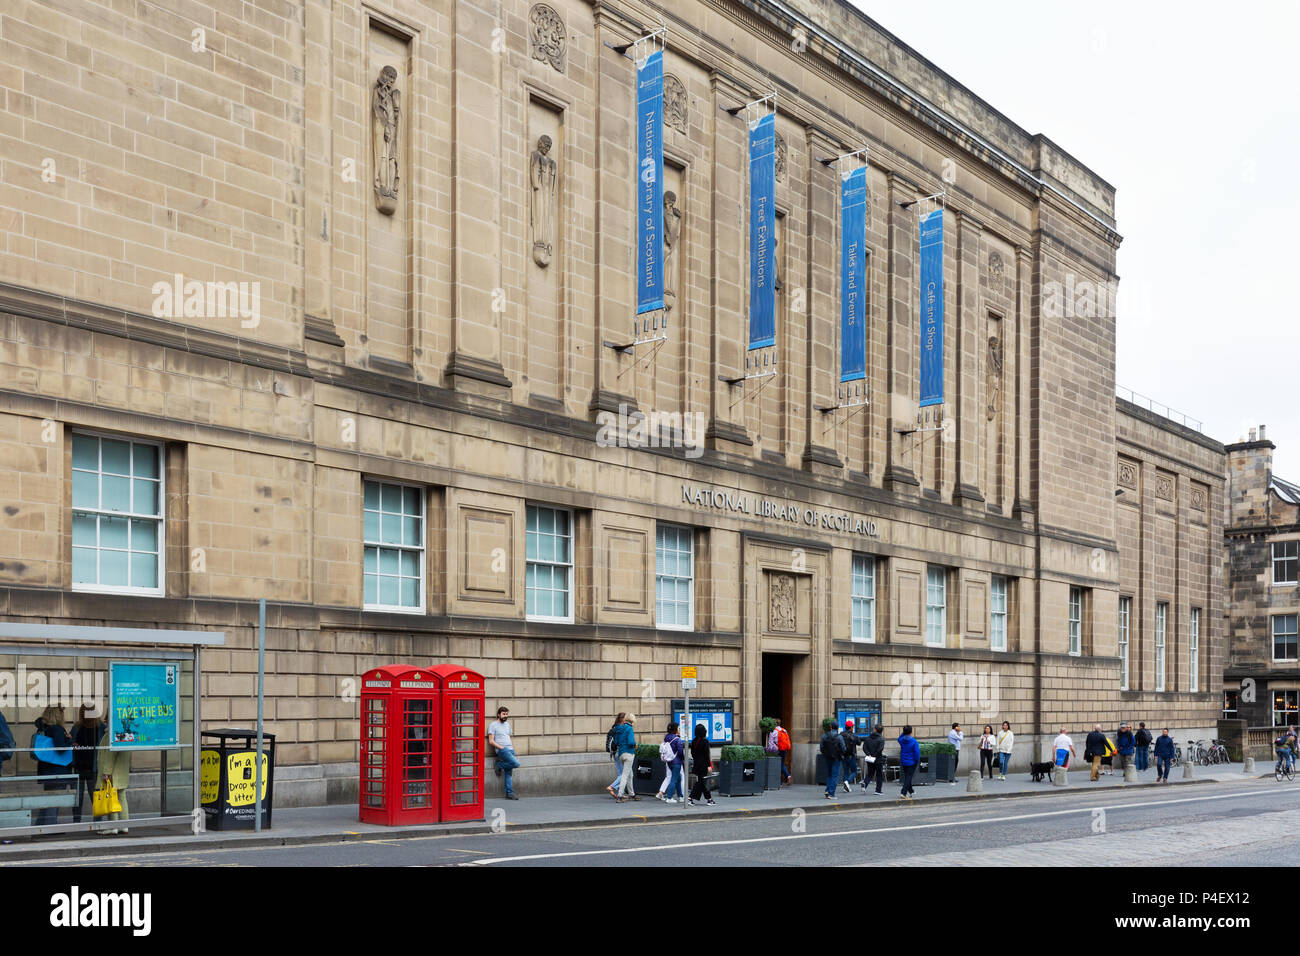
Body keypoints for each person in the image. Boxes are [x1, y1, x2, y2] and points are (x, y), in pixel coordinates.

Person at [33, 706, 73, 826]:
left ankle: (40, 824)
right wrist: (70, 740)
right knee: (55, 799)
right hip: (58, 770)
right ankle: (50, 826)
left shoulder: (43, 728)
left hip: (46, 770)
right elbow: (60, 748)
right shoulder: (57, 729)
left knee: (48, 799)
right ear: (58, 716)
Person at [72, 705, 105, 824]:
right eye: (85, 711)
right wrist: (72, 744)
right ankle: (76, 822)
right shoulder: (77, 727)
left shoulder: (101, 727)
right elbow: (70, 742)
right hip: (78, 768)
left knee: (96, 797)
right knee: (77, 799)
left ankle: (98, 822)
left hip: (94, 768)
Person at [486, 705, 520, 800]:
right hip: (502, 750)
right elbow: (491, 741)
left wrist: (511, 748)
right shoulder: (493, 725)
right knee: (516, 763)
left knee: (508, 773)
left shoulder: (507, 725)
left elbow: (508, 737)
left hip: (510, 749)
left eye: (506, 714)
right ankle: (500, 765)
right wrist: (501, 748)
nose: (505, 716)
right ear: (498, 714)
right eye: (503, 714)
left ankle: (509, 793)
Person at [687, 723, 716, 806]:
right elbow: (706, 755)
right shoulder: (705, 741)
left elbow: (692, 753)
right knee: (701, 782)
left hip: (696, 764)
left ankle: (709, 799)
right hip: (703, 765)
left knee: (702, 782)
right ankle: (690, 798)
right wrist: (709, 765)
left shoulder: (694, 741)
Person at [614, 713, 639, 802]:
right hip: (629, 753)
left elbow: (616, 741)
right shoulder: (629, 728)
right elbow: (631, 742)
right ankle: (620, 795)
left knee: (630, 774)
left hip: (621, 754)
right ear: (632, 720)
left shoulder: (618, 728)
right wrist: (635, 744)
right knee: (625, 775)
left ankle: (632, 794)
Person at [660, 722, 686, 803]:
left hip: (669, 761)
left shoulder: (667, 738)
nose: (680, 730)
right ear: (675, 730)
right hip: (676, 761)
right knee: (674, 779)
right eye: (679, 728)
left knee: (678, 778)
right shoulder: (677, 739)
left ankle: (680, 796)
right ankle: (669, 797)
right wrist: (683, 759)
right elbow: (680, 751)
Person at [820, 720, 844, 799]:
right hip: (836, 758)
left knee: (829, 774)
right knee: (835, 776)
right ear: (837, 728)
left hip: (827, 758)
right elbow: (844, 748)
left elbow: (821, 747)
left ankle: (827, 790)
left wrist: (825, 754)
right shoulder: (839, 737)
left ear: (830, 726)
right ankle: (831, 794)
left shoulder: (824, 736)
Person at [605, 712, 627, 796]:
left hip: (613, 753)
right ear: (623, 719)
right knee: (625, 773)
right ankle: (612, 786)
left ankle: (620, 792)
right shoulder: (621, 728)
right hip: (619, 752)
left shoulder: (613, 728)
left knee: (620, 774)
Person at [862, 724, 886, 795]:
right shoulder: (881, 739)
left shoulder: (868, 738)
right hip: (878, 759)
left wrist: (868, 754)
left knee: (870, 774)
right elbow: (880, 749)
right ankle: (878, 790)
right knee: (879, 775)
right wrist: (874, 755)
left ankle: (865, 784)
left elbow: (864, 747)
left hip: (870, 759)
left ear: (875, 730)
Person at [898, 725, 920, 800]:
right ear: (911, 732)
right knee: (908, 777)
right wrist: (917, 760)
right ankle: (903, 792)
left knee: (908, 776)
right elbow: (917, 753)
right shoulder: (914, 741)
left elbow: (899, 738)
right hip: (912, 762)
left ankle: (911, 791)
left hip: (903, 761)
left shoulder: (901, 740)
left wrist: (904, 732)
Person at [839, 719, 860, 793]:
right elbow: (859, 743)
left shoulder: (841, 734)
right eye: (852, 727)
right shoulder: (854, 735)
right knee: (854, 771)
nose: (853, 728)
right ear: (851, 727)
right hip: (852, 755)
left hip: (844, 756)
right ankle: (847, 782)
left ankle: (845, 788)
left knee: (846, 772)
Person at [774, 719, 793, 785]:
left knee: (777, 764)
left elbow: (772, 742)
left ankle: (780, 781)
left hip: (777, 749)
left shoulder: (774, 731)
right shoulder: (784, 730)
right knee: (781, 763)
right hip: (784, 749)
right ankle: (787, 776)